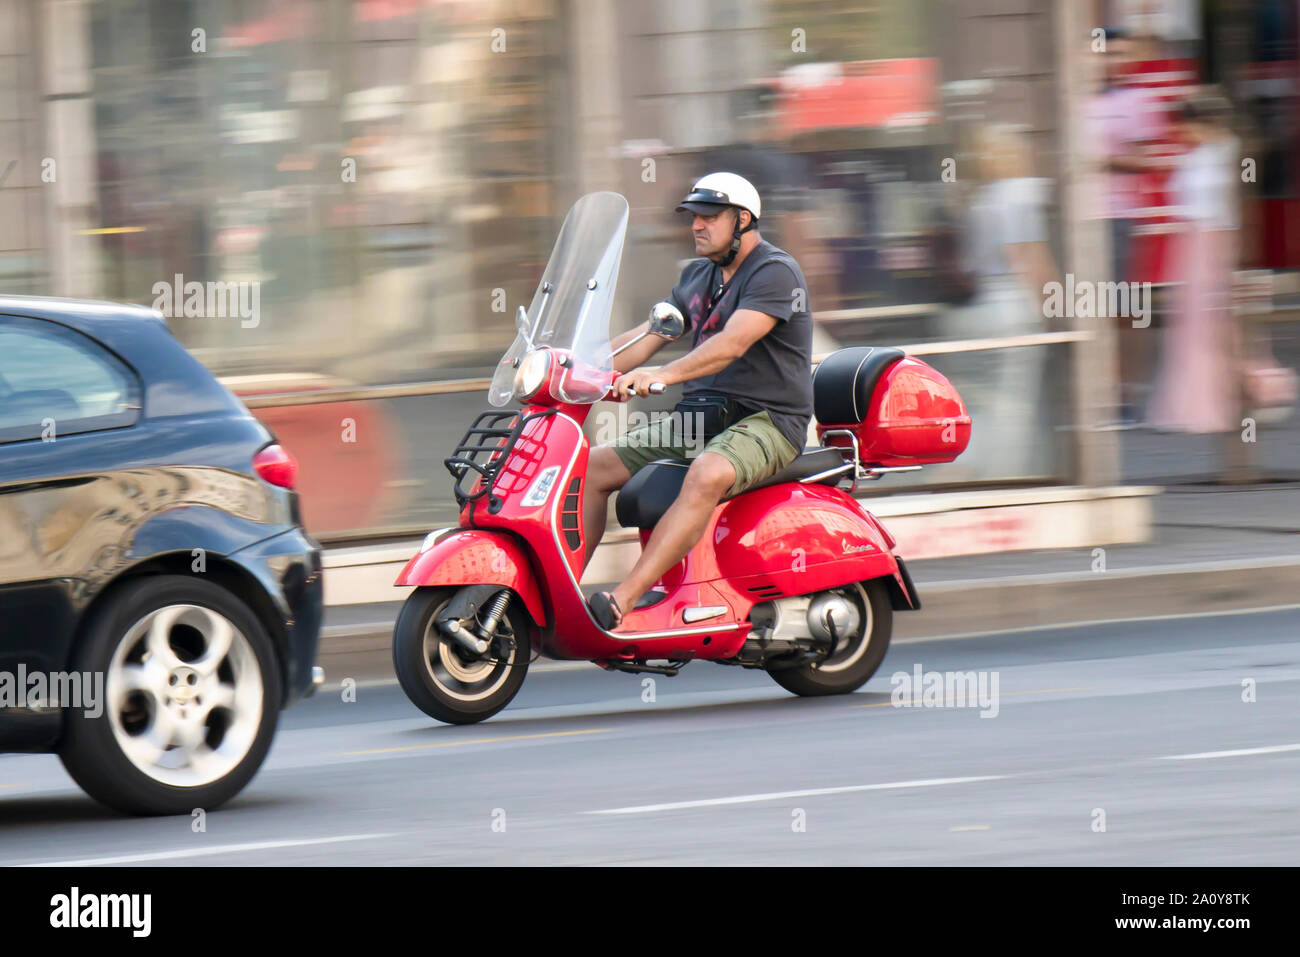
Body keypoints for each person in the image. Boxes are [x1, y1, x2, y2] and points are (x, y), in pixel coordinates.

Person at [583, 172, 813, 630]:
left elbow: (731, 343)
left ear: (743, 220)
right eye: (693, 217)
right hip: (706, 418)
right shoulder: (698, 277)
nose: (696, 226)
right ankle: (564, 593)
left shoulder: (774, 272)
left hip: (767, 420)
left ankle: (622, 601)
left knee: (708, 470)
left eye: (709, 216)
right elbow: (650, 335)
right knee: (592, 468)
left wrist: (663, 375)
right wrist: (584, 369)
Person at [1145, 89, 1241, 434]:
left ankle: (1214, 404)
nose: (1182, 133)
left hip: (1215, 242)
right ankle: (1195, 404)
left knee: (1209, 325)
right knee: (1191, 327)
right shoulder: (1200, 157)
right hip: (1192, 244)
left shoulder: (1229, 155)